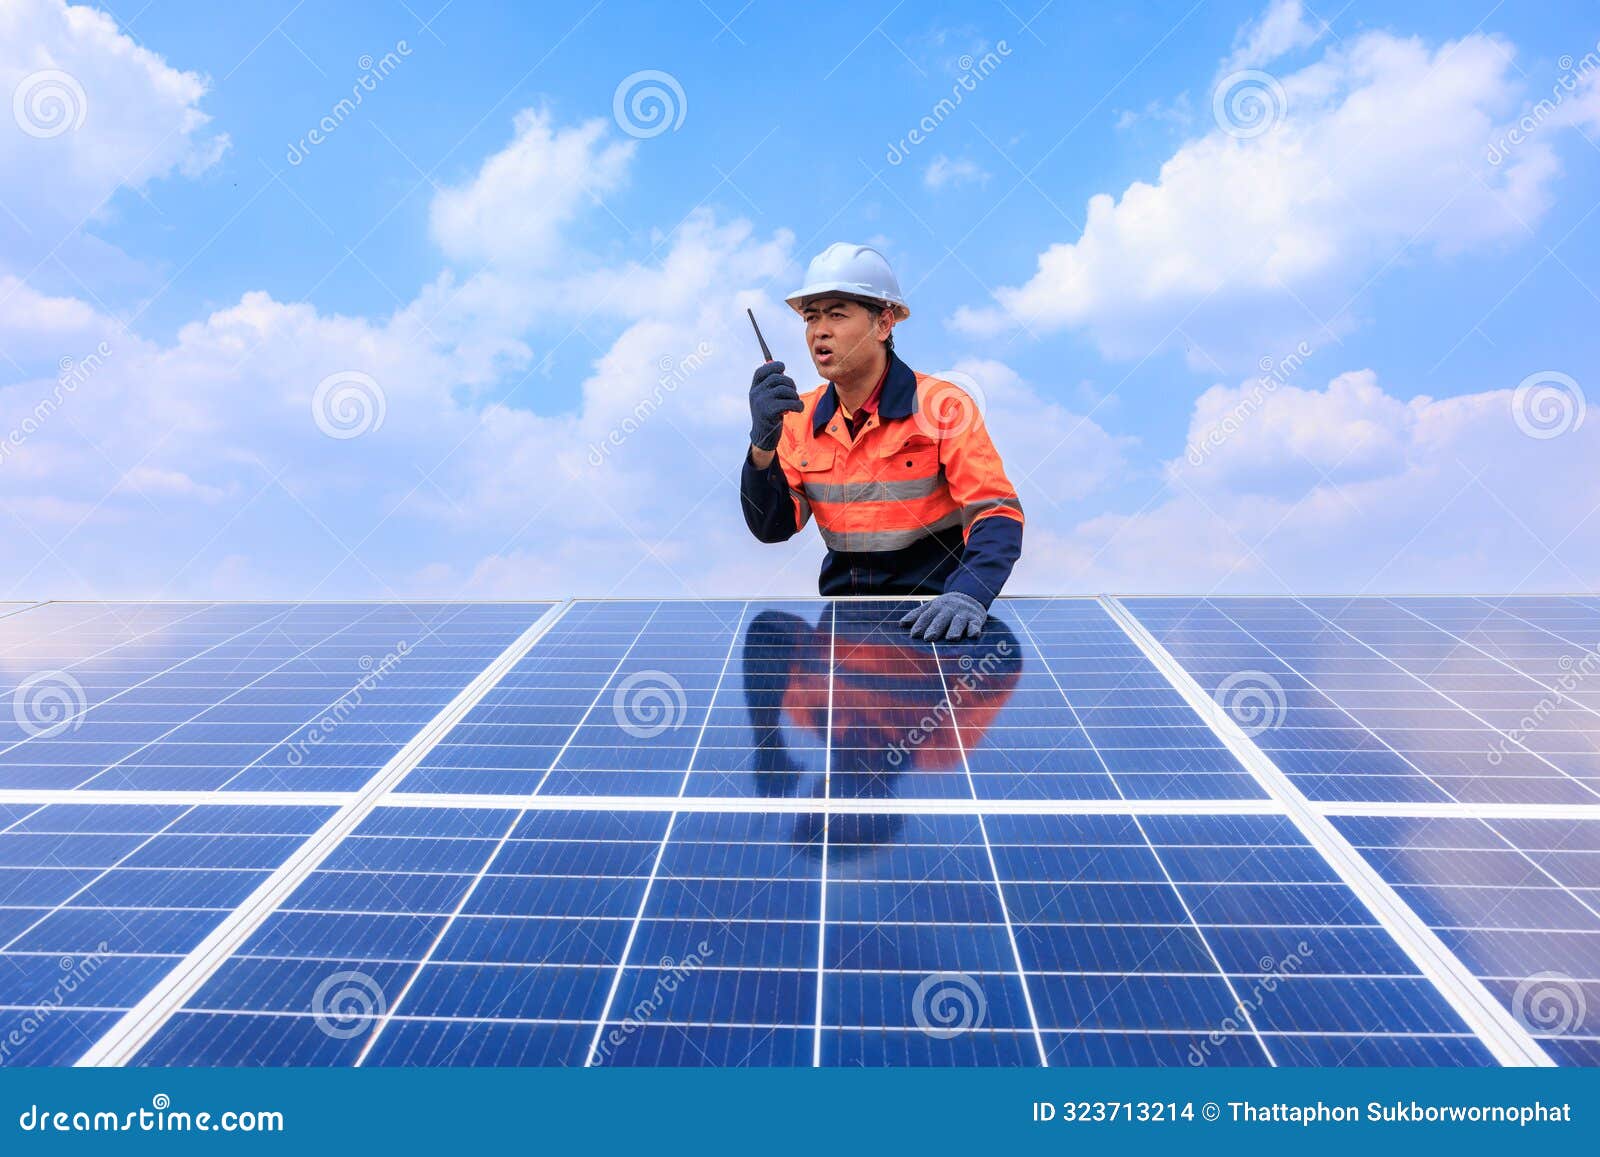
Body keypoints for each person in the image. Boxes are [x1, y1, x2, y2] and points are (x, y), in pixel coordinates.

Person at [740, 242, 1025, 641]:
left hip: (935, 624)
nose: (820, 330)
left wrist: (969, 594)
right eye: (811, 317)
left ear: (884, 324)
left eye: (837, 315)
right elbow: (772, 527)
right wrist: (762, 445)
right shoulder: (796, 419)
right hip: (844, 630)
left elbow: (997, 514)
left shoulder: (942, 407)